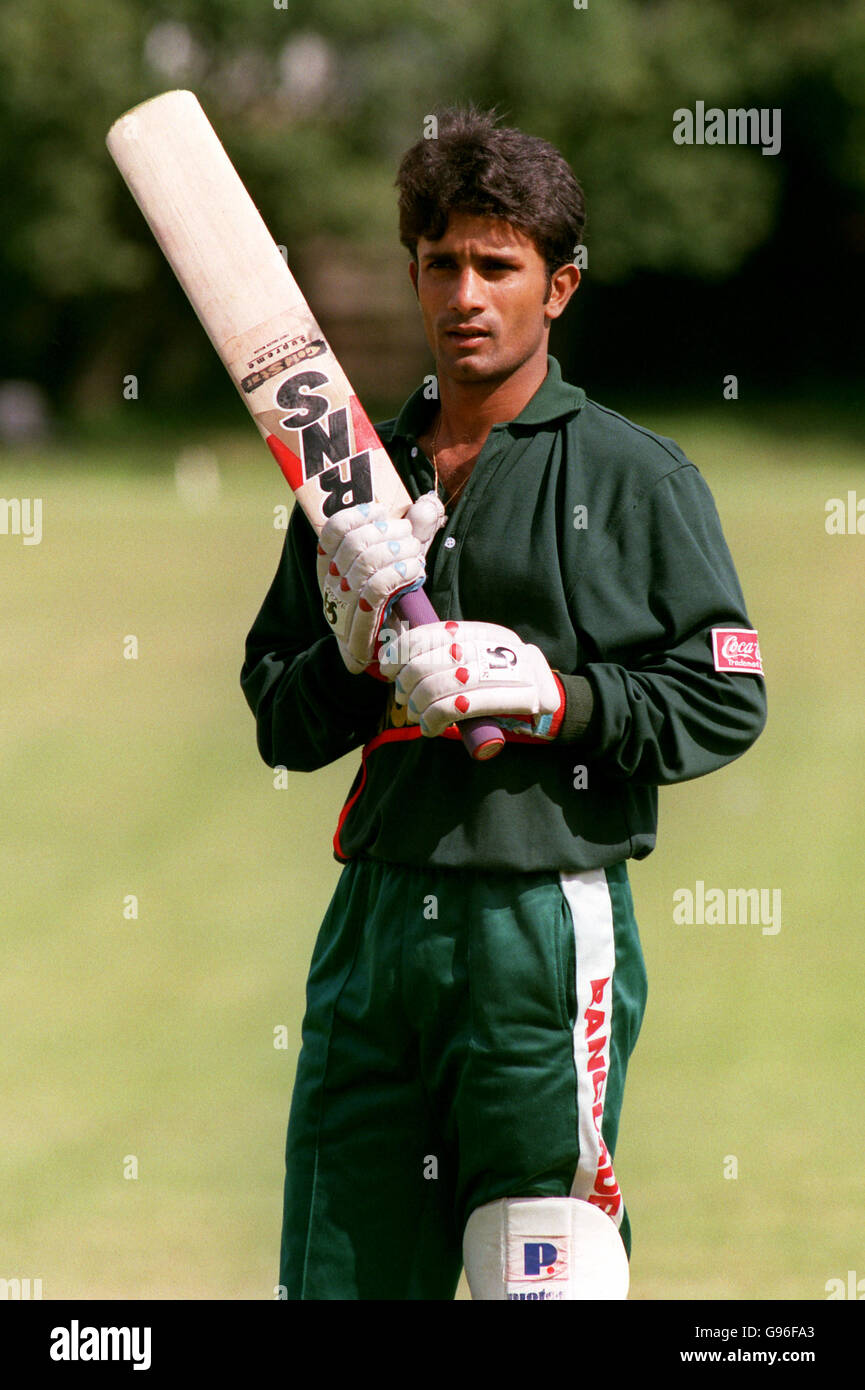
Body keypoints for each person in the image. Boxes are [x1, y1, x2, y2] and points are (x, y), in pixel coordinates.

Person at [240, 107, 767, 1301]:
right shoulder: (353, 482)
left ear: (558, 286)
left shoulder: (635, 475)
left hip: (540, 925)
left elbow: (724, 697)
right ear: (414, 273)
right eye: (441, 263)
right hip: (375, 929)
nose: (465, 293)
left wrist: (559, 698)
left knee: (544, 1283)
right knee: (338, 1279)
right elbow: (282, 715)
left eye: (499, 264)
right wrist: (356, 653)